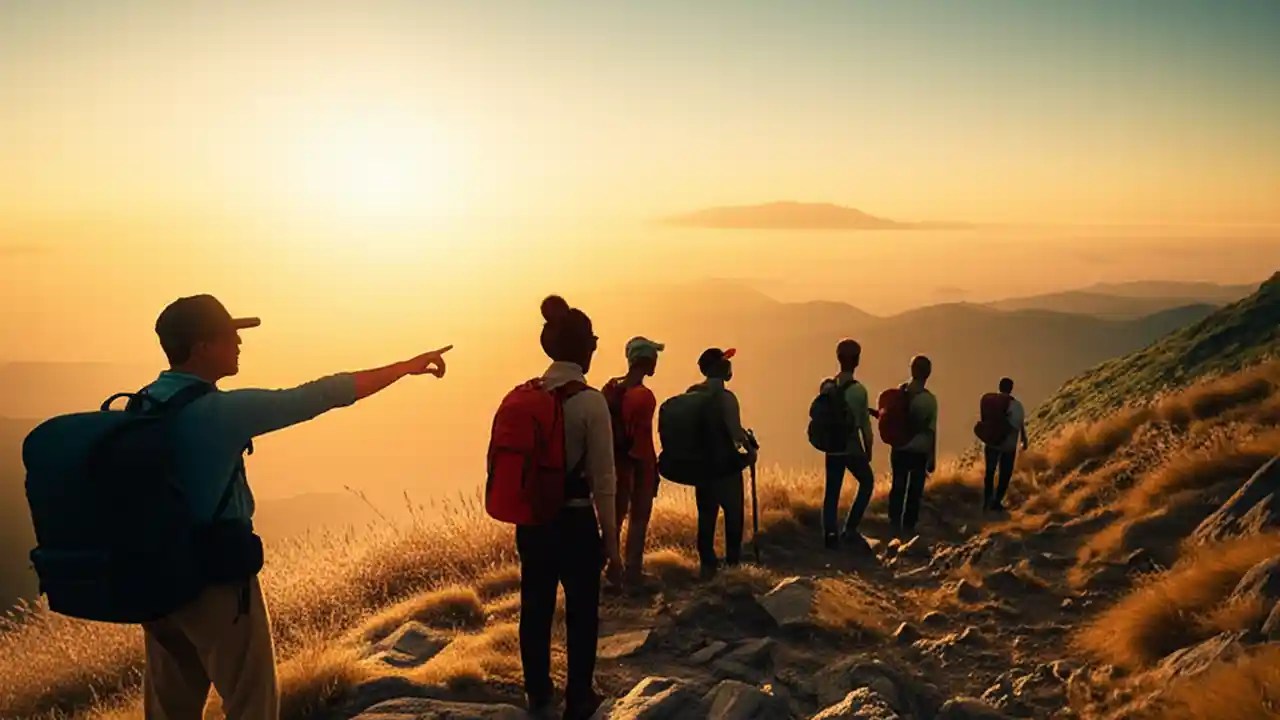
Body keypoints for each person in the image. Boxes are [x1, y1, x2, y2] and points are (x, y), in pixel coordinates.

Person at [138, 294, 451, 720]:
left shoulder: (140, 405)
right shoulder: (221, 411)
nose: (239, 343)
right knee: (252, 704)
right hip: (217, 582)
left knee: (169, 711)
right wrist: (404, 367)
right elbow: (317, 396)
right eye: (229, 335)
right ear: (201, 347)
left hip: (156, 580)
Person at [518, 295, 620, 720]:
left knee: (535, 607)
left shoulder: (529, 395)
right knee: (582, 611)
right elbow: (604, 482)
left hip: (534, 521)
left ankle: (538, 693)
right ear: (585, 349)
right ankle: (578, 696)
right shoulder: (591, 402)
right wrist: (612, 548)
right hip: (575, 519)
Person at [602, 337, 664, 589]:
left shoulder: (611, 390)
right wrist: (651, 470)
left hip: (614, 464)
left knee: (612, 520)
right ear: (647, 361)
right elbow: (642, 437)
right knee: (638, 518)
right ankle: (633, 572)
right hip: (638, 465)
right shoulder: (644, 396)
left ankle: (609, 569)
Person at [689, 347, 754, 580]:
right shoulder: (726, 398)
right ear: (723, 369)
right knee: (733, 515)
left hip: (702, 469)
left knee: (706, 516)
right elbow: (736, 434)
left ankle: (707, 566)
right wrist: (750, 450)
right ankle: (732, 568)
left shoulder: (693, 393)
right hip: (725, 468)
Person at [822, 339, 877, 551]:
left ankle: (830, 535)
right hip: (852, 447)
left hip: (832, 447)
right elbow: (864, 426)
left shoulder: (828, 387)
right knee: (867, 482)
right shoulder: (858, 390)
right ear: (857, 361)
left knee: (831, 492)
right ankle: (850, 528)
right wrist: (868, 451)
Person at [888, 355, 938, 538]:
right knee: (914, 491)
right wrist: (932, 457)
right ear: (928, 374)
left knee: (898, 486)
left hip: (899, 447)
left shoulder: (899, 393)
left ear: (911, 370)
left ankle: (893, 525)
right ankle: (908, 528)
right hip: (919, 450)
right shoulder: (929, 400)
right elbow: (932, 431)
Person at [983, 377, 1028, 512]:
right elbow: (1019, 424)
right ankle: (997, 502)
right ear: (1011, 388)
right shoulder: (1017, 405)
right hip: (1008, 445)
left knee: (990, 472)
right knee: (1005, 474)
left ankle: (987, 501)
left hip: (991, 443)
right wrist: (1024, 439)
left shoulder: (989, 401)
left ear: (999, 387)